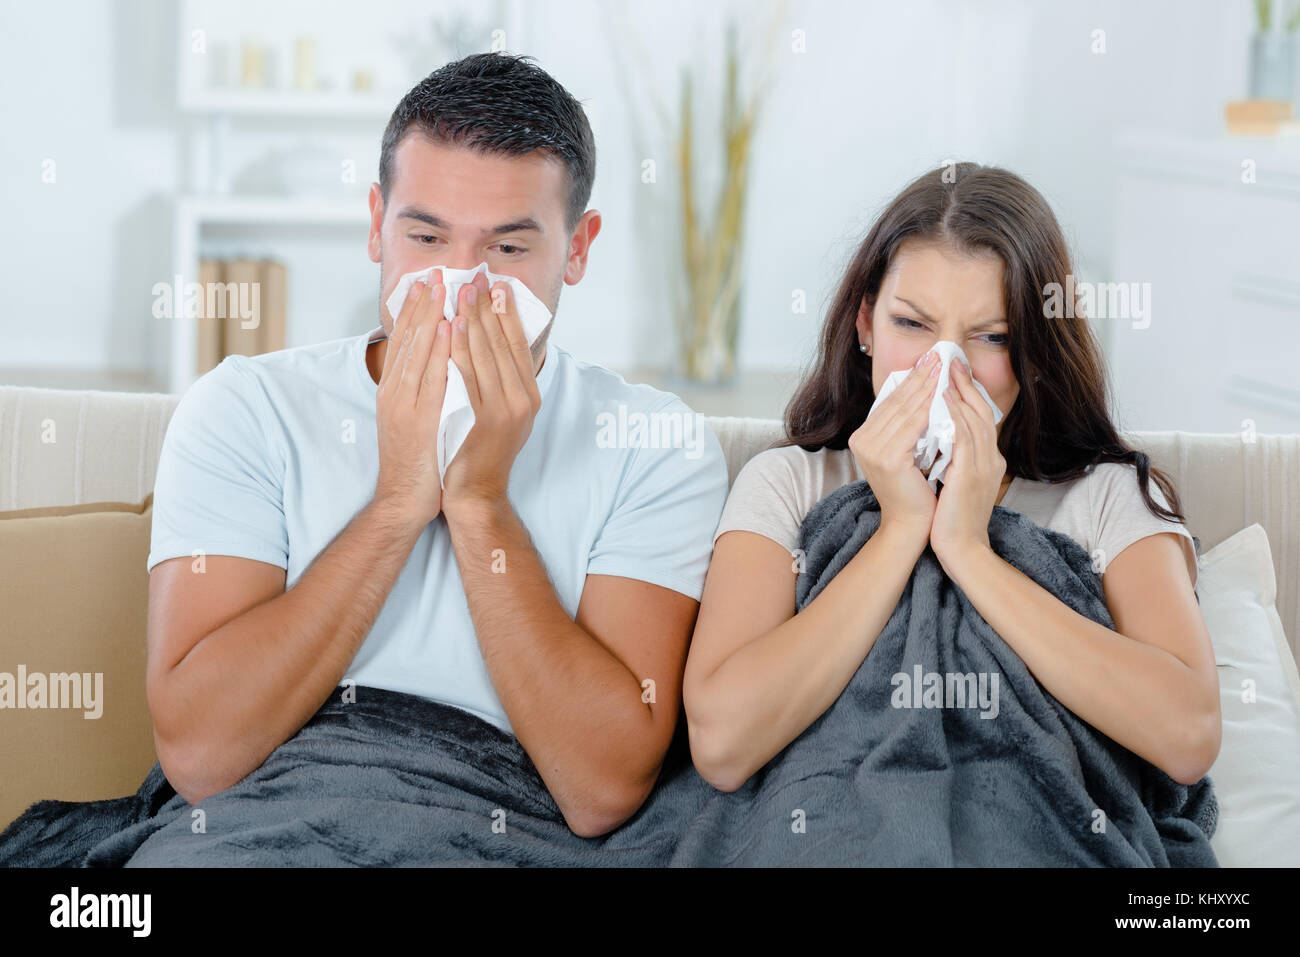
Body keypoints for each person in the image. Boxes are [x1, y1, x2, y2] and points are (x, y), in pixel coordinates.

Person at [145, 52, 729, 838]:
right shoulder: (245, 409)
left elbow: (602, 788)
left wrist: (481, 503)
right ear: (376, 226)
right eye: (425, 235)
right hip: (270, 824)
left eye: (508, 250)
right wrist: (396, 504)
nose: (460, 286)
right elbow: (200, 754)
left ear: (579, 248)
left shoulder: (655, 446)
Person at [683, 162, 1220, 794]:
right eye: (911, 325)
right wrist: (902, 528)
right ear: (865, 325)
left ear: (1034, 353)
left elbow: (1188, 736)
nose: (942, 368)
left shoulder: (1106, 497)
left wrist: (969, 549)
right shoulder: (787, 484)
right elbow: (721, 745)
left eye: (990, 338)